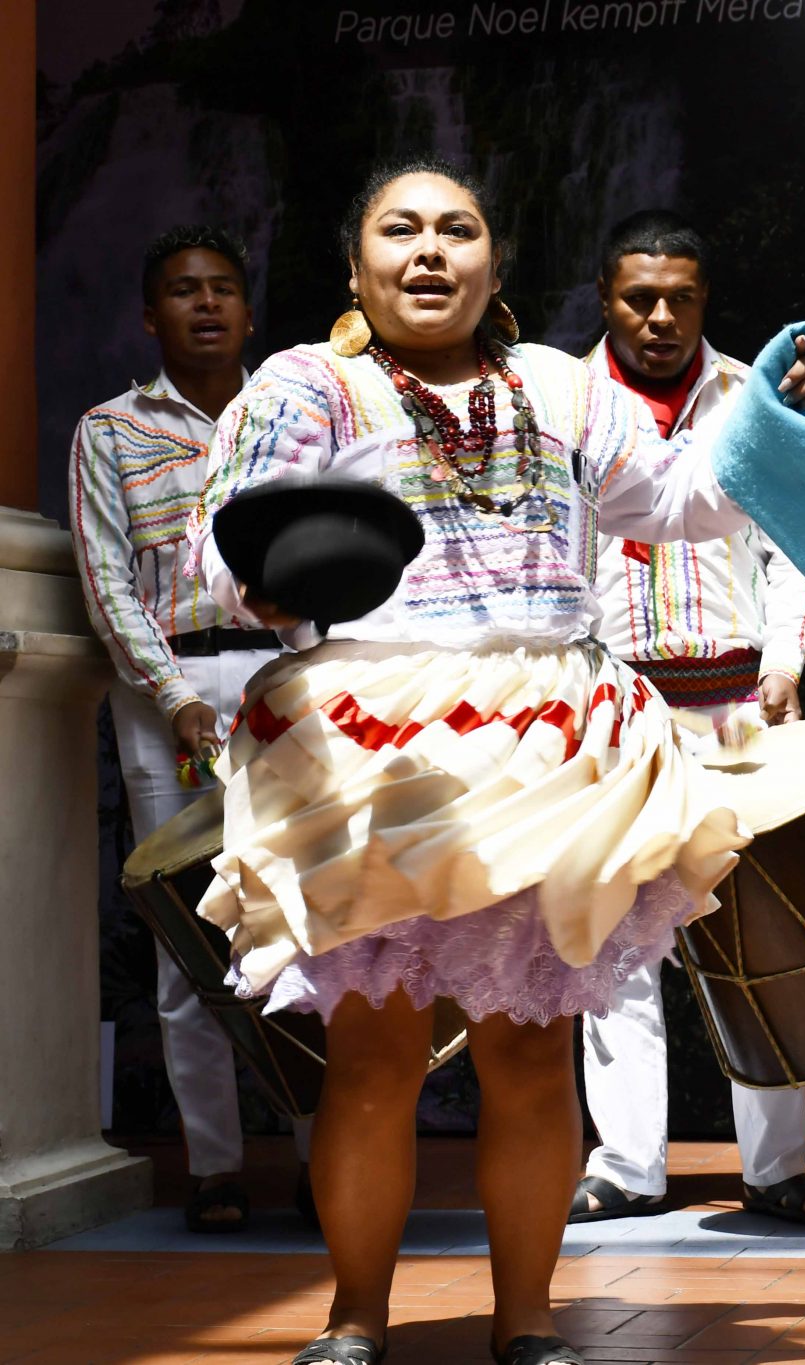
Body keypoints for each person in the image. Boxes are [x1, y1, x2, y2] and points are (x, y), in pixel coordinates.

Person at [187, 157, 805, 1365]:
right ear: (355, 259)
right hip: (373, 735)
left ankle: (528, 1319)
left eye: (456, 230)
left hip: (546, 728)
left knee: (530, 1046)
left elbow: (679, 500)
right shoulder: (302, 385)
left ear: (496, 261)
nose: (429, 252)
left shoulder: (560, 387)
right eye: (400, 229)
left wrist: (774, 432)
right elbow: (230, 544)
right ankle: (356, 1318)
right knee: (373, 1049)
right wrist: (272, 583)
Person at [569, 210, 805, 1229]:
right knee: (615, 943)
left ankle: (774, 1168)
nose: (660, 316)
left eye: (680, 297)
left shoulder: (752, 400)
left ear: (704, 303)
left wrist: (783, 664)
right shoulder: (564, 402)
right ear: (606, 300)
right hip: (611, 703)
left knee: (754, 941)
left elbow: (797, 544)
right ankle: (627, 1166)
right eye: (640, 297)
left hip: (734, 700)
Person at [67, 225, 314, 1234]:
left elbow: (322, 558)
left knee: (304, 922)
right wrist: (173, 694)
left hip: (286, 683)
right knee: (187, 938)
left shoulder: (290, 418)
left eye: (221, 289)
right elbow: (107, 583)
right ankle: (214, 1167)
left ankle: (318, 1153)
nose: (204, 305)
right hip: (165, 690)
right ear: (150, 316)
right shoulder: (109, 432)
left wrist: (312, 674)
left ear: (249, 312)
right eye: (182, 291)